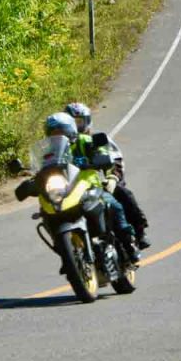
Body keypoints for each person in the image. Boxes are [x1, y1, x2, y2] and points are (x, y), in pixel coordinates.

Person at [44, 112, 141, 264]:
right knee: (45, 213)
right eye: (54, 133)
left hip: (90, 186)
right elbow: (39, 168)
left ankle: (129, 244)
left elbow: (104, 153)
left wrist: (105, 165)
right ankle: (66, 253)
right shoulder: (48, 150)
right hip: (64, 191)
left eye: (61, 131)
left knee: (114, 206)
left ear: (70, 130)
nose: (58, 135)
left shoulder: (85, 141)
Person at [65, 101, 151, 250]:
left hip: (99, 183)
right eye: (72, 123)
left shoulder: (97, 139)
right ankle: (69, 255)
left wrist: (112, 177)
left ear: (87, 122)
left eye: (79, 122)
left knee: (123, 194)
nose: (76, 127)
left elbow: (115, 159)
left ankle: (138, 232)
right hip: (70, 189)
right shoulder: (62, 145)